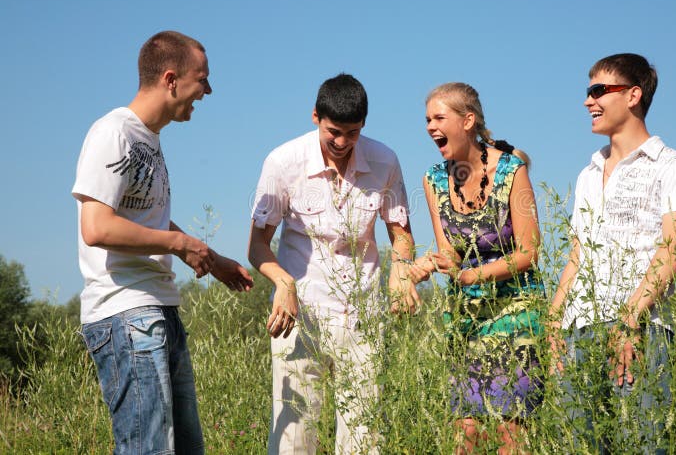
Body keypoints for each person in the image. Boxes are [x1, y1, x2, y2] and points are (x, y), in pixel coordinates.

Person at [72, 30, 254, 454]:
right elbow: (97, 227)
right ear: (171, 79)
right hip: (126, 314)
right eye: (202, 79)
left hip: (156, 310)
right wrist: (177, 243)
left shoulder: (147, 139)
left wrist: (207, 254)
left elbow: (142, 216)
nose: (207, 90)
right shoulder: (114, 133)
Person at [247, 73, 420, 454]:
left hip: (363, 316)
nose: (342, 142)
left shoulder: (385, 161)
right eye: (333, 132)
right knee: (294, 437)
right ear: (315, 118)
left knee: (364, 437)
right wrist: (282, 283)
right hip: (300, 316)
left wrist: (400, 271)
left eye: (352, 133)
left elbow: (401, 233)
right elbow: (258, 245)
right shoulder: (282, 162)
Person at [548, 53, 676, 453]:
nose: (588, 101)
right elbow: (577, 255)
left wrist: (630, 318)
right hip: (578, 330)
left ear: (633, 95)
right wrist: (553, 322)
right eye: (588, 91)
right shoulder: (586, 174)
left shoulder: (674, 165)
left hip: (641, 328)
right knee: (576, 447)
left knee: (642, 444)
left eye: (598, 90)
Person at [408, 82, 544, 454]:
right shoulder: (433, 179)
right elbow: (450, 253)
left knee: (509, 431)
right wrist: (428, 266)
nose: (430, 127)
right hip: (465, 316)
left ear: (468, 120)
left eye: (439, 117)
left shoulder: (511, 170)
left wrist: (475, 275)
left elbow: (530, 252)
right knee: (465, 432)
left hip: (515, 310)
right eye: (427, 120)